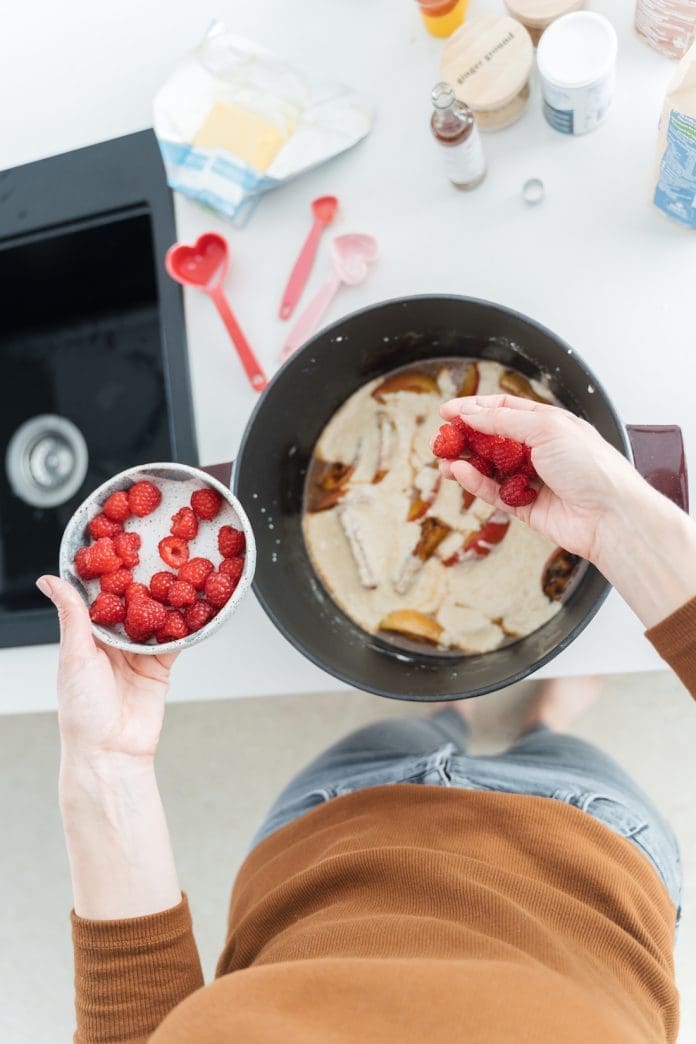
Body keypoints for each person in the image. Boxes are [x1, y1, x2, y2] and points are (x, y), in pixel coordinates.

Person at [39, 394, 696, 1044]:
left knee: (405, 733)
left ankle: (452, 708)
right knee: (555, 748)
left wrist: (109, 760)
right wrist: (615, 517)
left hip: (329, 829)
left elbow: (141, 1026)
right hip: (591, 845)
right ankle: (542, 718)